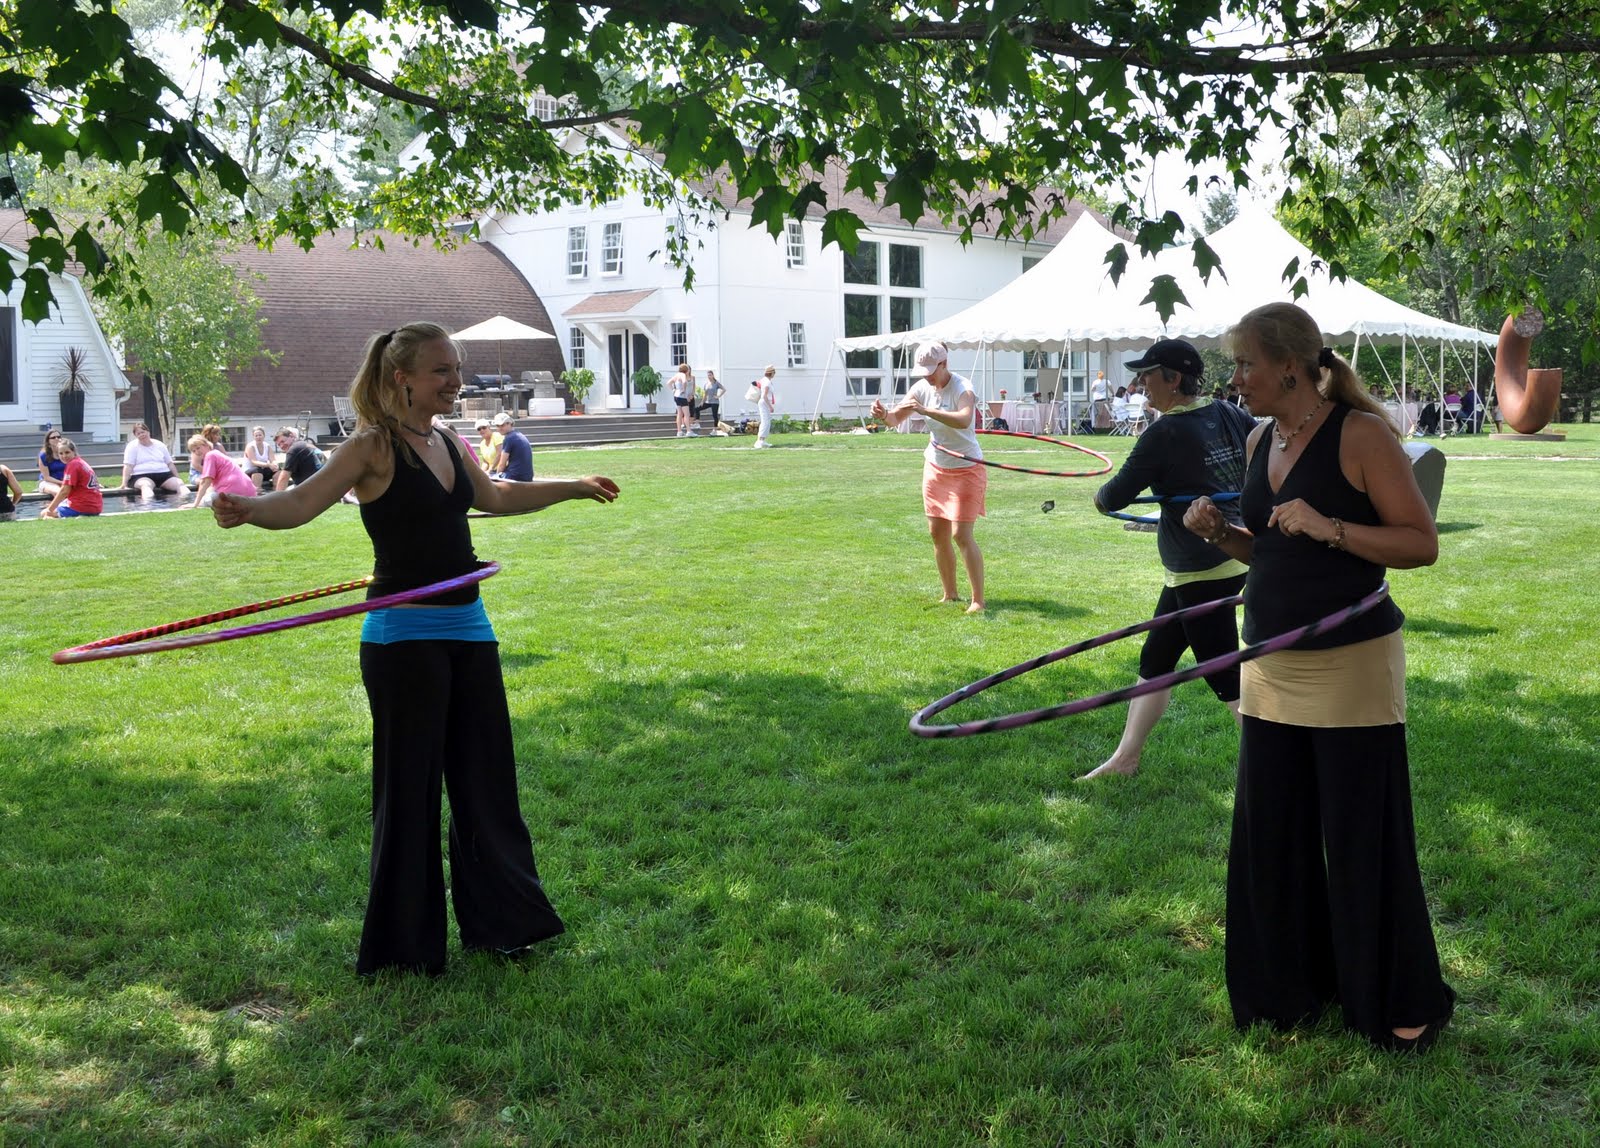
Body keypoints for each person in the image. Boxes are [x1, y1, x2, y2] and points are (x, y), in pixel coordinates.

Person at [211, 321, 620, 977]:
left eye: (456, 369)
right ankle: (406, 946)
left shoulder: (450, 442)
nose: (456, 381)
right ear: (402, 378)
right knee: (411, 791)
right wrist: (249, 508)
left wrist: (573, 486)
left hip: (469, 628)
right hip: (403, 637)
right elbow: (300, 502)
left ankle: (505, 927)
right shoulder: (372, 449)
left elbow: (498, 495)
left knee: (487, 783)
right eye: (442, 371)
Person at [1182, 301, 1452, 1053]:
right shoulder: (1261, 438)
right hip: (1270, 658)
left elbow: (1418, 544)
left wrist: (1332, 525)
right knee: (1272, 834)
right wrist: (1223, 535)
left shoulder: (1360, 435)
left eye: (1243, 364)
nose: (1233, 379)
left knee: (1363, 835)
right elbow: (1271, 552)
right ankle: (1286, 989)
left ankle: (1398, 998)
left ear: (1291, 367)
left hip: (1350, 663)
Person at [1083, 338, 1256, 780]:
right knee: (1156, 659)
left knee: (1224, 676)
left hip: (1201, 566)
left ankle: (1277, 770)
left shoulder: (1162, 434)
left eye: (1148, 374)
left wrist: (1099, 497)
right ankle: (1126, 758)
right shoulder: (1231, 413)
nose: (1140, 383)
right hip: (1233, 552)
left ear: (1174, 379)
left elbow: (1112, 497)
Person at [870, 342, 986, 613]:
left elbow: (964, 420)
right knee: (937, 533)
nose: (926, 376)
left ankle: (978, 600)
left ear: (944, 364)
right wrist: (883, 414)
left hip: (967, 467)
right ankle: (950, 594)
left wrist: (926, 411)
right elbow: (896, 418)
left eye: (931, 370)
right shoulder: (921, 388)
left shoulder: (962, 387)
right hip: (936, 466)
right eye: (922, 371)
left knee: (961, 534)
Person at [187, 433, 257, 508]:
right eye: (194, 451)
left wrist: (195, 504)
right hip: (250, 494)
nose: (197, 452)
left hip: (231, 494)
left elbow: (205, 482)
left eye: (198, 448)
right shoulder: (217, 454)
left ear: (206, 445)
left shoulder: (210, 456)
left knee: (207, 500)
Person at [40, 438, 103, 517]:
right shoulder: (81, 462)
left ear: (74, 452)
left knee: (44, 513)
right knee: (55, 505)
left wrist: (49, 510)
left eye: (67, 452)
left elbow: (64, 491)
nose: (64, 456)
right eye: (61, 453)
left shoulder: (72, 465)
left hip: (81, 506)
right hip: (96, 506)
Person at [120, 422, 187, 497]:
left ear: (148, 432)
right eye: (138, 434)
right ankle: (148, 506)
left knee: (180, 484)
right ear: (135, 436)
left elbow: (170, 463)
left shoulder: (160, 445)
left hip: (163, 475)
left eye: (143, 432)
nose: (142, 435)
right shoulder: (132, 447)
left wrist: (177, 477)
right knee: (146, 486)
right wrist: (124, 484)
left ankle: (186, 503)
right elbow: (128, 466)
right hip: (141, 476)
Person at [273, 426, 322, 491]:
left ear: (291, 436)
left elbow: (284, 478)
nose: (281, 446)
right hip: (323, 483)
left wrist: (277, 499)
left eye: (282, 441)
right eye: (279, 445)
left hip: (313, 488)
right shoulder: (306, 445)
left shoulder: (294, 449)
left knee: (285, 495)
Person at [490, 412, 534, 481]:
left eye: (502, 425)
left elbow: (502, 464)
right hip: (527, 476)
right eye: (497, 426)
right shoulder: (518, 434)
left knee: (489, 478)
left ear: (509, 424)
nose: (499, 428)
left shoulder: (509, 438)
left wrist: (497, 477)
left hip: (515, 476)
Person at [243, 425, 279, 491]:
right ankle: (257, 491)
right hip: (250, 471)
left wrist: (275, 465)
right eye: (256, 436)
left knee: (277, 470)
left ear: (263, 435)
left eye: (260, 435)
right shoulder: (250, 446)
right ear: (253, 437)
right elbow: (254, 462)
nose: (258, 437)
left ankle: (277, 490)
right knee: (257, 470)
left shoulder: (267, 446)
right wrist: (268, 465)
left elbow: (273, 459)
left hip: (263, 470)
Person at [668, 362, 697, 437]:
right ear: (686, 370)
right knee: (687, 414)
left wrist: (673, 390)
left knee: (679, 414)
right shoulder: (683, 375)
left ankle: (679, 432)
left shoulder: (677, 375)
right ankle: (689, 431)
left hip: (676, 396)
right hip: (682, 396)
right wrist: (683, 390)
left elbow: (668, 383)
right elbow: (684, 382)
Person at [753, 365, 777, 448]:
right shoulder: (767, 382)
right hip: (764, 403)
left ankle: (763, 440)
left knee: (767, 422)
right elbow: (764, 396)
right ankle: (759, 441)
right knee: (765, 422)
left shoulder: (764, 380)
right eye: (774, 372)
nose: (774, 374)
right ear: (771, 373)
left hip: (764, 403)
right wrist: (770, 407)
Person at [694, 369, 725, 433]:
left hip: (715, 402)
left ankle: (715, 429)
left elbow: (724, 389)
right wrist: (702, 402)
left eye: (710, 375)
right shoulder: (706, 384)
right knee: (697, 409)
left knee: (714, 415)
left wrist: (718, 396)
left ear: (713, 375)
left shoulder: (716, 383)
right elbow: (705, 394)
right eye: (708, 375)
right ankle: (697, 424)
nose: (709, 376)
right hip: (708, 402)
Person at [37, 429, 67, 496]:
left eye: (59, 437)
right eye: (53, 437)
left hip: (65, 481)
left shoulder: (67, 453)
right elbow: (46, 477)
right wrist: (62, 483)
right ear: (48, 441)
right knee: (58, 492)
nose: (57, 439)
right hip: (48, 482)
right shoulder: (44, 455)